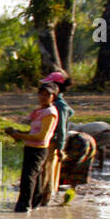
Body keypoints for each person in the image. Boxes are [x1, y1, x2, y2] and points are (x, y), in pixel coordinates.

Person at [5, 82, 59, 212]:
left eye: (47, 95)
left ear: (53, 97)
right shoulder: (40, 111)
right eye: (41, 94)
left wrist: (19, 135)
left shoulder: (49, 113)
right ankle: (35, 203)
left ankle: (24, 207)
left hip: (38, 149)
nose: (43, 97)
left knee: (28, 177)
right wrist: (17, 133)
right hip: (30, 147)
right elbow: (32, 131)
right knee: (35, 177)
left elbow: (41, 136)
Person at [39, 71, 74, 205]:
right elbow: (71, 112)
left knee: (47, 172)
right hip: (47, 141)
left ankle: (45, 200)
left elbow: (61, 130)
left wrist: (60, 148)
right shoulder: (56, 103)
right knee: (45, 171)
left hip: (53, 143)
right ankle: (43, 200)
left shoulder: (59, 105)